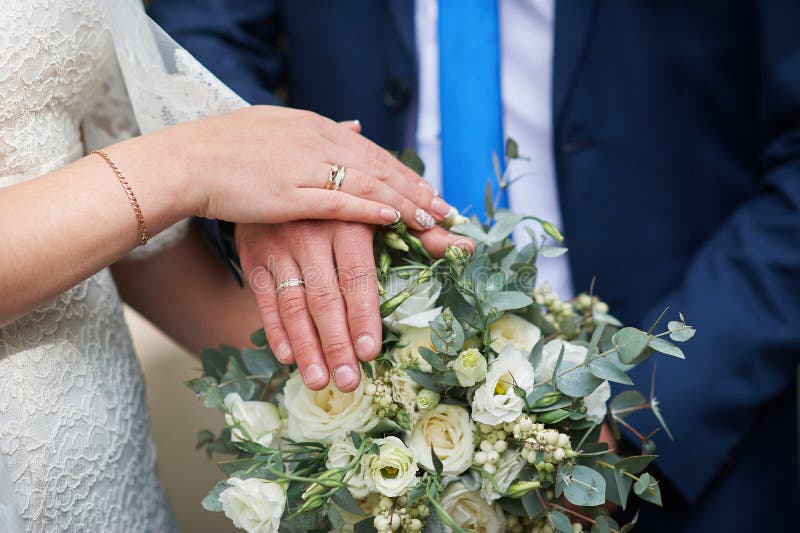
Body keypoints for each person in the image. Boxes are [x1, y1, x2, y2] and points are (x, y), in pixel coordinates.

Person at [150, 0, 800, 531]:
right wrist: (269, 187)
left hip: (704, 437)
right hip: (377, 438)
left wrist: (644, 414)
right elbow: (200, 35)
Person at [0, 0, 464, 530]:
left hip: (105, 473)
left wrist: (404, 390)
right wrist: (193, 165)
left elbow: (123, 231)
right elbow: (162, 177)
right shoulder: (186, 164)